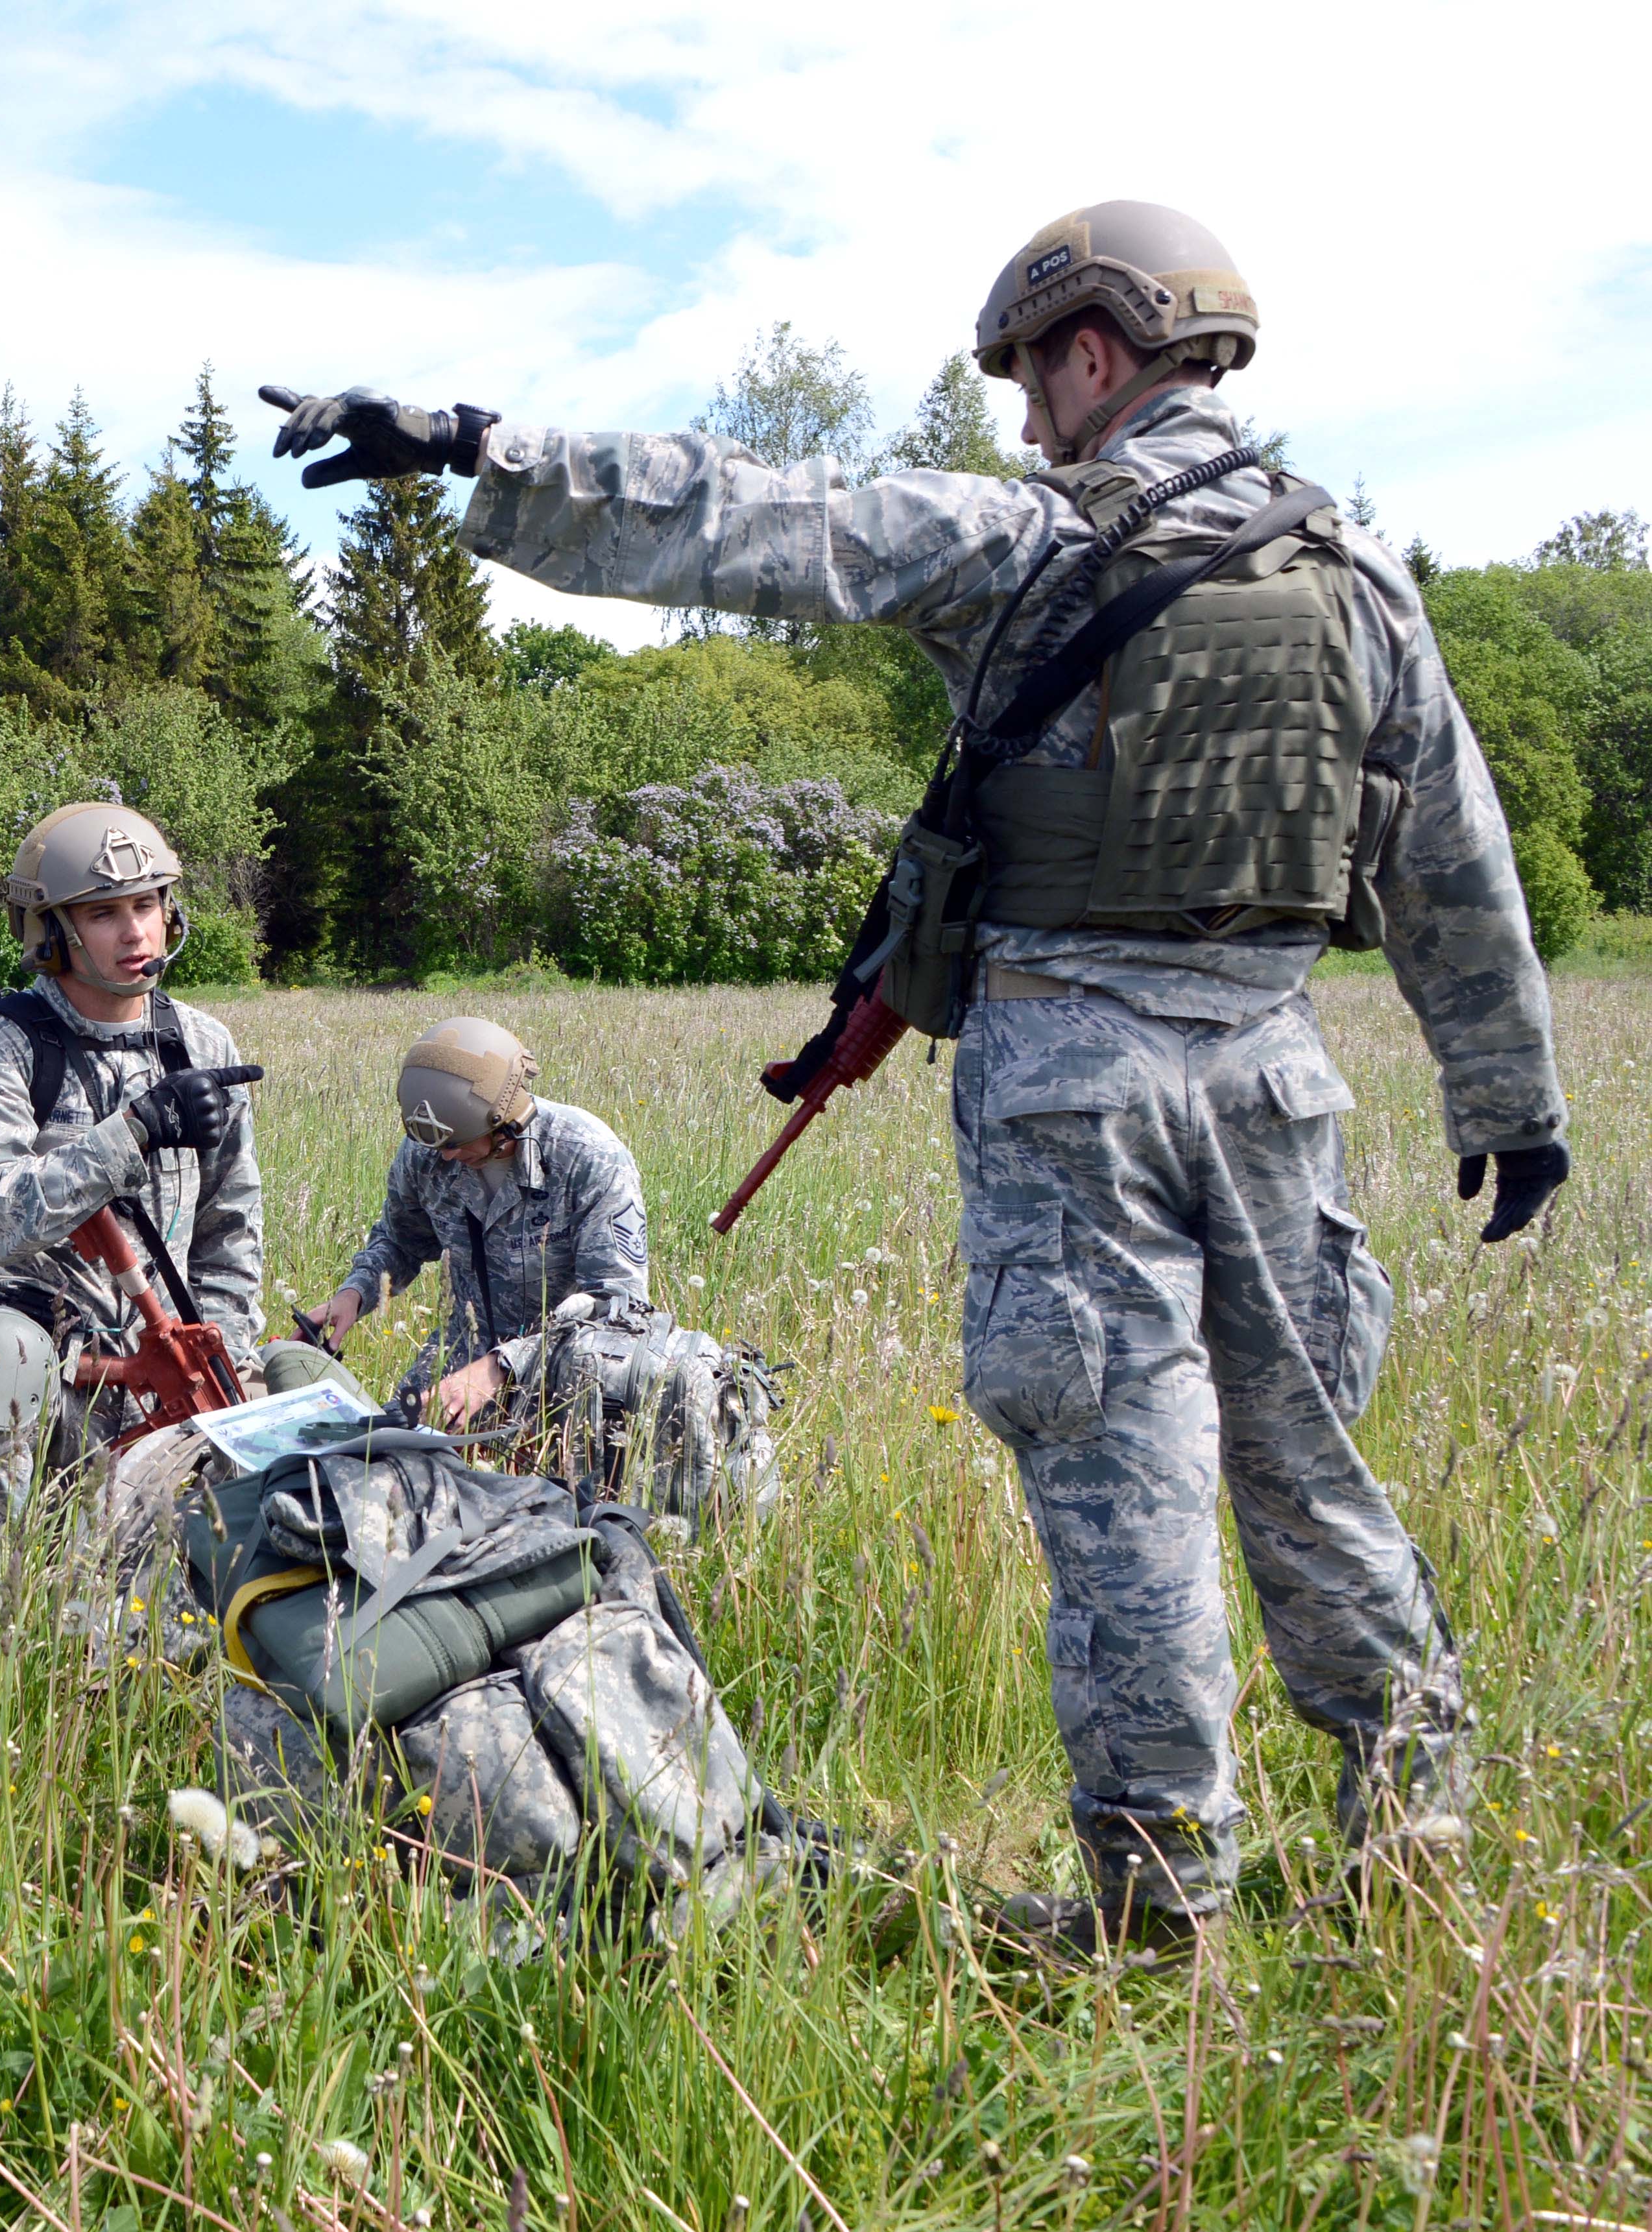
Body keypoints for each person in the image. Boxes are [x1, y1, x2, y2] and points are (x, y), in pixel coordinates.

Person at [265, 200, 1569, 1954]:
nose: (1029, 421)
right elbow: (1454, 861)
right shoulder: (1359, 577)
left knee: (1130, 1516)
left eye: (1037, 379)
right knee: (1316, 1474)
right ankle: (1414, 1851)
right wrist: (1509, 1099)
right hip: (1278, 1079)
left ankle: (1158, 1915)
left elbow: (746, 515)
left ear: (1095, 353)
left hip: (1071, 1100)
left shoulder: (1023, 544)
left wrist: (480, 449)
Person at [0, 802, 263, 1602]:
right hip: (17, 1339)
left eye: (148, 905)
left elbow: (229, 1232)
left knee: (298, 1405)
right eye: (104, 913)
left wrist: (220, 1363)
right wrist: (130, 1131)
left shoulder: (203, 1046)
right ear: (50, 933)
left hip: (148, 1354)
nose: (137, 931)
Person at [298, 1017, 649, 1427]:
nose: (444, 1158)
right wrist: (354, 1294)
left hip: (566, 1363)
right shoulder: (428, 1150)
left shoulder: (587, 1158)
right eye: (437, 1146)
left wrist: (503, 1366)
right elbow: (401, 1242)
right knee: (391, 1445)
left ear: (506, 1122)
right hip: (464, 1346)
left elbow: (620, 1307)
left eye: (457, 1145)